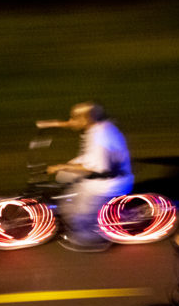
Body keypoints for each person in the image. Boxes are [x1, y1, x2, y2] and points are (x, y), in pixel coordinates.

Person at [36, 102, 133, 251]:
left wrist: (61, 166)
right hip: (97, 177)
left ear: (87, 119)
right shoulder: (99, 125)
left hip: (106, 184)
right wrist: (54, 124)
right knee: (65, 193)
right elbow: (74, 124)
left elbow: (96, 168)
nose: (71, 120)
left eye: (75, 117)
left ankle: (93, 241)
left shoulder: (100, 139)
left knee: (77, 215)